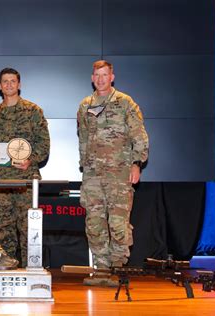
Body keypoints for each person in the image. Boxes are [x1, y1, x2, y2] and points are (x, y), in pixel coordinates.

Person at [77, 60, 149, 287]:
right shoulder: (85, 105)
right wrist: (85, 168)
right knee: (95, 224)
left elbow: (139, 135)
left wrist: (137, 163)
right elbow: (83, 139)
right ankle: (101, 271)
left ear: (112, 77)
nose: (100, 79)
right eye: (97, 75)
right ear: (92, 78)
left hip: (119, 175)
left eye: (105, 75)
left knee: (118, 225)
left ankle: (118, 270)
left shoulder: (125, 102)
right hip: (92, 176)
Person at [0, 67, 50, 267]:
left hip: (26, 179)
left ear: (19, 85)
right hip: (0, 181)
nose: (9, 85)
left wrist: (31, 160)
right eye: (5, 81)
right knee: (4, 229)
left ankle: (32, 270)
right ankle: (8, 269)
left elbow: (43, 144)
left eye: (13, 81)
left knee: (29, 228)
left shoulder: (33, 111)